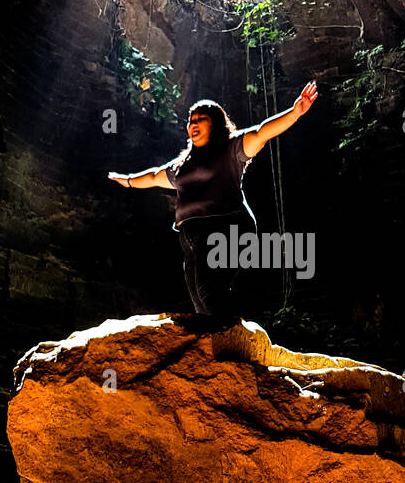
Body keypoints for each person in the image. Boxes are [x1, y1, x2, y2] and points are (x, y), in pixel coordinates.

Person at [109, 82, 318, 318]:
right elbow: (155, 176)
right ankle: (217, 345)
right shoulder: (183, 165)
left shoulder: (231, 148)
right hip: (191, 239)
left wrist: (295, 112)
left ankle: (236, 342)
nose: (194, 124)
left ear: (215, 123)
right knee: (199, 298)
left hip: (228, 227)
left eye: (201, 119)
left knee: (209, 288)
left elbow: (262, 132)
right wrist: (127, 180)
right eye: (191, 120)